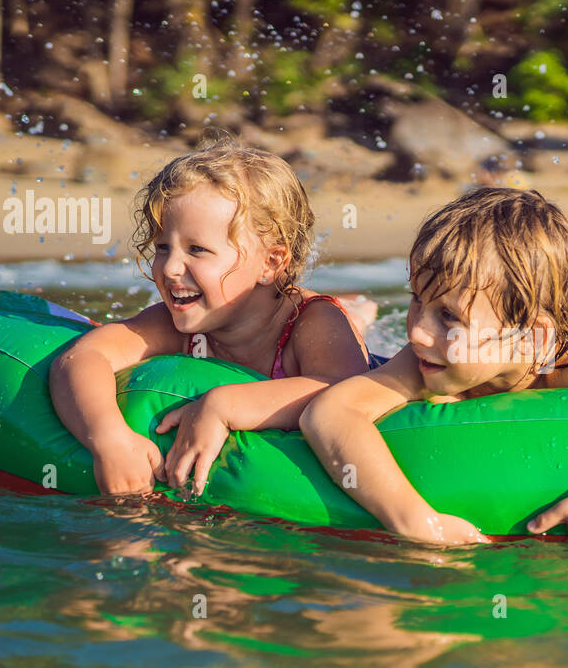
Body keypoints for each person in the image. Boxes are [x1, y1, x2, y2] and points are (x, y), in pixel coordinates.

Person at [299, 187, 568, 545]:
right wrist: (414, 519)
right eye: (416, 300)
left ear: (533, 336)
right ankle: (357, 317)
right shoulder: (422, 361)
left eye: (449, 316)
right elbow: (330, 411)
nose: (417, 333)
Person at [50, 139, 378, 497]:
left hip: (334, 343)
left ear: (270, 262)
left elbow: (348, 393)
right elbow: (82, 357)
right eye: (162, 247)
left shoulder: (312, 322)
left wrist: (223, 406)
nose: (171, 268)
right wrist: (110, 440)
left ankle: (358, 313)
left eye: (197, 250)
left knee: (348, 328)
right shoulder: (172, 322)